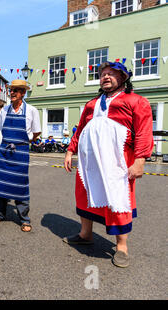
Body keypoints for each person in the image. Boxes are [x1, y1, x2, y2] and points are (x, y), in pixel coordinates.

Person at [63, 61, 153, 268]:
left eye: (111, 73)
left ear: (123, 78)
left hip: (117, 163)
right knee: (84, 194)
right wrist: (70, 150)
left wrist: (140, 161)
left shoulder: (136, 101)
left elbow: (143, 132)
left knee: (118, 199)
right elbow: (81, 130)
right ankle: (86, 234)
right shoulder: (91, 104)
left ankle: (122, 247)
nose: (105, 76)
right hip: (89, 162)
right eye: (103, 74)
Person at [0, 80, 41, 232]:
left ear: (23, 93)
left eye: (16, 90)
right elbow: (2, 129)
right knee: (2, 182)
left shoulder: (32, 110)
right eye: (11, 90)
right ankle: (0, 213)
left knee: (20, 184)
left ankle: (24, 218)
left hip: (21, 152)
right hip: (5, 151)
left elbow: (36, 131)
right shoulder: (4, 110)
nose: (12, 93)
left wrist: (25, 140)